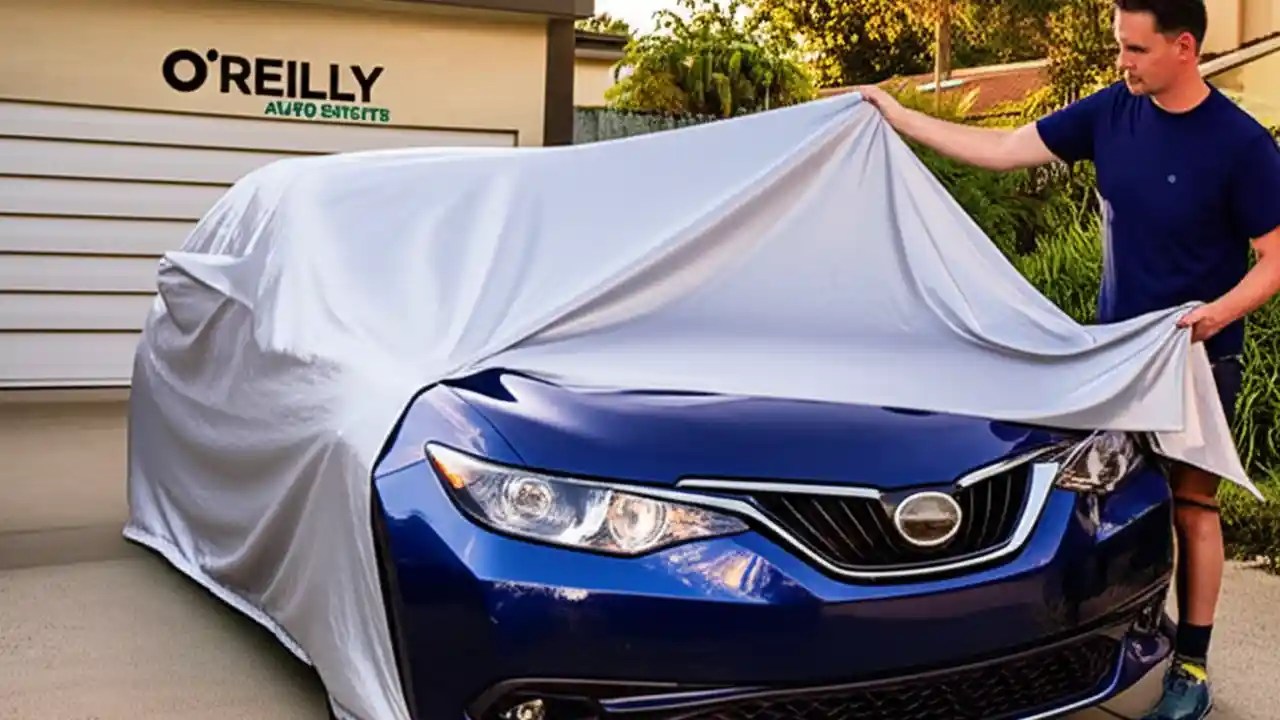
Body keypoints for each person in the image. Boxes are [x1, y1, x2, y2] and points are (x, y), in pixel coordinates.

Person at [856, 1, 1280, 719]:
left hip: (1195, 361)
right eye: (1120, 47)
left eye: (1136, 50)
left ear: (1184, 47)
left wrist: (1215, 317)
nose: (1123, 62)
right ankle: (1085, 640)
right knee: (1091, 499)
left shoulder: (1241, 145)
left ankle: (1194, 666)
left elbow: (1274, 258)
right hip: (1113, 357)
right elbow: (1003, 148)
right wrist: (898, 117)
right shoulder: (1111, 113)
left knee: (1192, 506)